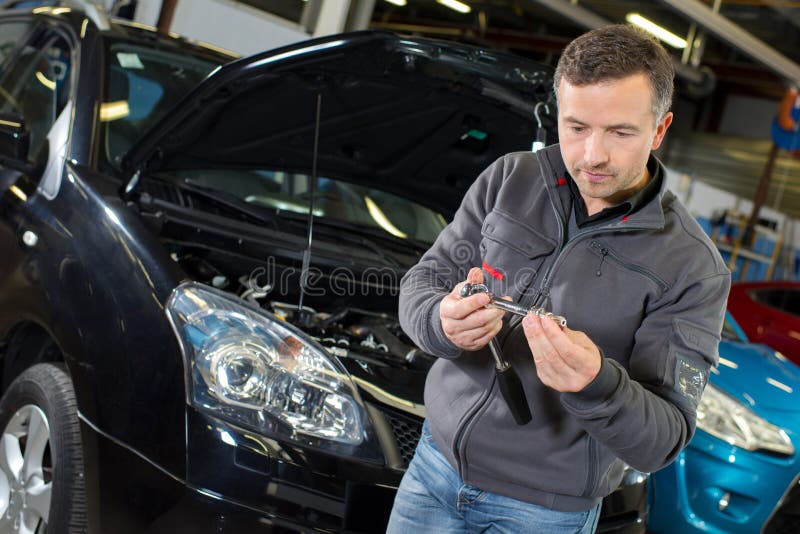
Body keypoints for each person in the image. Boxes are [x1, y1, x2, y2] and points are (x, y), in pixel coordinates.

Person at [388, 24, 730, 533]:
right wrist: (441, 321)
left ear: (659, 131)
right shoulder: (510, 178)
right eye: (576, 127)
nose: (593, 155)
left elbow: (665, 439)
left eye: (620, 132)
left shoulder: (693, 267)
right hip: (434, 468)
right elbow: (422, 282)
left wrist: (597, 385)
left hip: (544, 513)